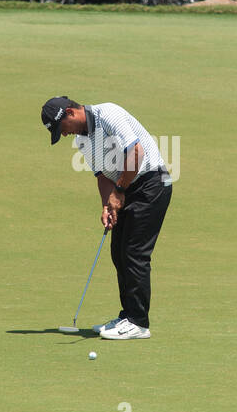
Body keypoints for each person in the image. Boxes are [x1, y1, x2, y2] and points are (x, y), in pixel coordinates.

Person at [41, 96, 172, 339]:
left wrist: (119, 192)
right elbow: (102, 176)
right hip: (126, 187)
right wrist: (107, 205)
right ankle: (127, 315)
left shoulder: (108, 114)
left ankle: (139, 323)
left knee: (134, 252)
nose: (65, 134)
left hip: (152, 183)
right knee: (118, 252)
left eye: (63, 128)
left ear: (70, 112)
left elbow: (136, 152)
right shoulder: (82, 141)